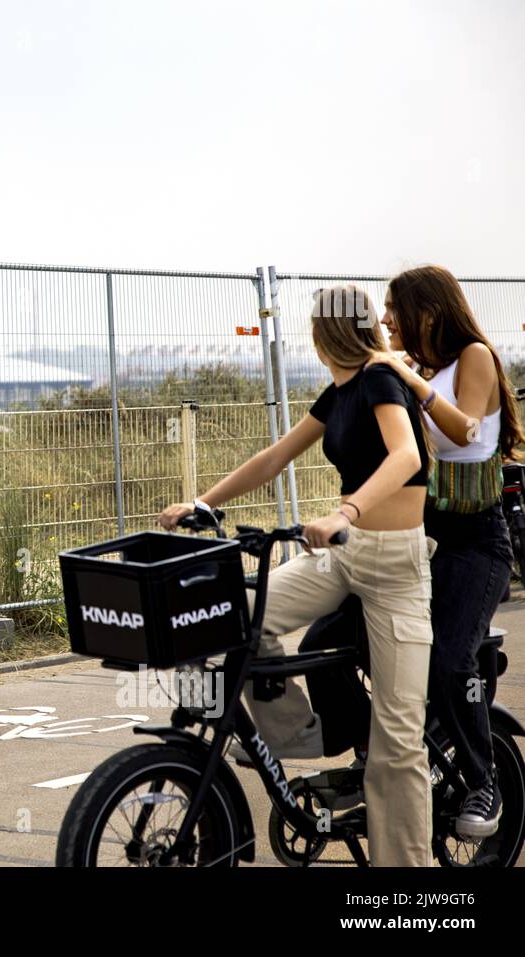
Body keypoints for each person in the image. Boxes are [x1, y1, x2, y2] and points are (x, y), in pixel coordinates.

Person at [158, 285, 435, 867]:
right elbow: (274, 457)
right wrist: (201, 503)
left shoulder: (380, 382)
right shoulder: (336, 394)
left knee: (398, 743)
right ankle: (295, 738)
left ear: (321, 334)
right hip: (343, 556)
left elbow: (406, 457)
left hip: (395, 566)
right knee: (237, 617)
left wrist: (345, 511)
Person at [366, 265, 522, 838]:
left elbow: (464, 431)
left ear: (426, 312)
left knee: (454, 657)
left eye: (393, 308)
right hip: (424, 535)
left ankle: (484, 783)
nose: (385, 320)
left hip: (478, 543)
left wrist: (411, 383)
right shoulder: (419, 370)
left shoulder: (474, 357)